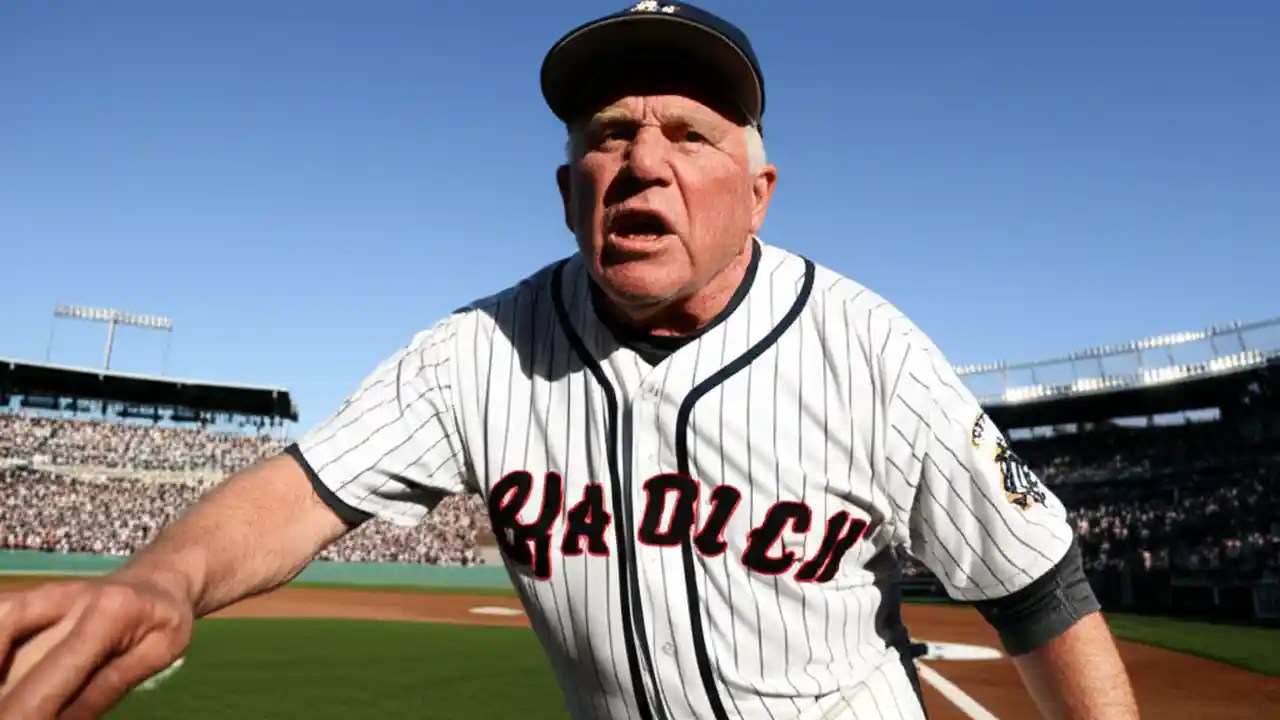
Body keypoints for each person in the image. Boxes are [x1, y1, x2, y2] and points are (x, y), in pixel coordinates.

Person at [0, 3, 1140, 718]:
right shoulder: (475, 354)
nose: (642, 159)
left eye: (688, 135)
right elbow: (301, 491)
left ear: (758, 195)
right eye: (608, 135)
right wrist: (163, 579)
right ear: (567, 195)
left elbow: (1038, 592)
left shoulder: (872, 354)